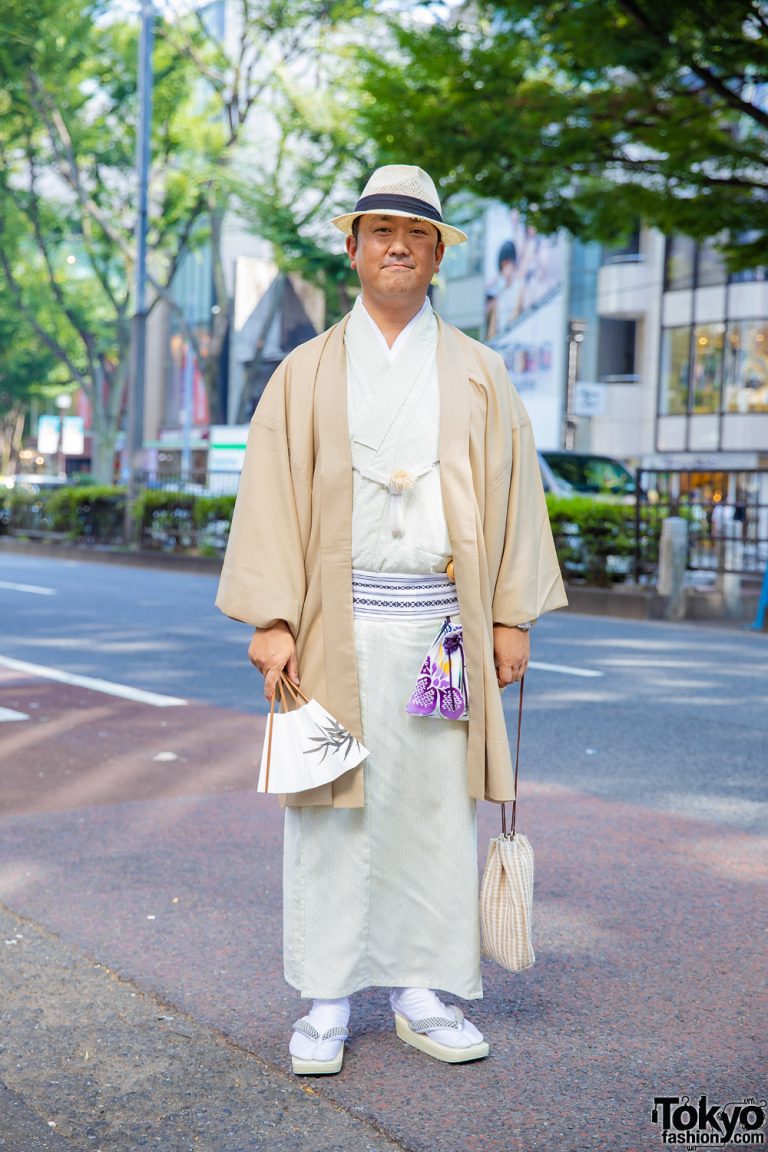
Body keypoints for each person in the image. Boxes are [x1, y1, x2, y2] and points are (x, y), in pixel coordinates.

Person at [216, 164, 567, 1075]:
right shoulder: (304, 373)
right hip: (332, 627)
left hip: (442, 629)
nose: (398, 246)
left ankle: (421, 988)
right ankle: (326, 1000)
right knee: (329, 813)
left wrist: (512, 615)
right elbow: (269, 499)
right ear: (353, 247)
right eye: (380, 231)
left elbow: (515, 498)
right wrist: (270, 616)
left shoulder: (482, 374)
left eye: (416, 235)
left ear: (440, 253)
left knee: (431, 811)